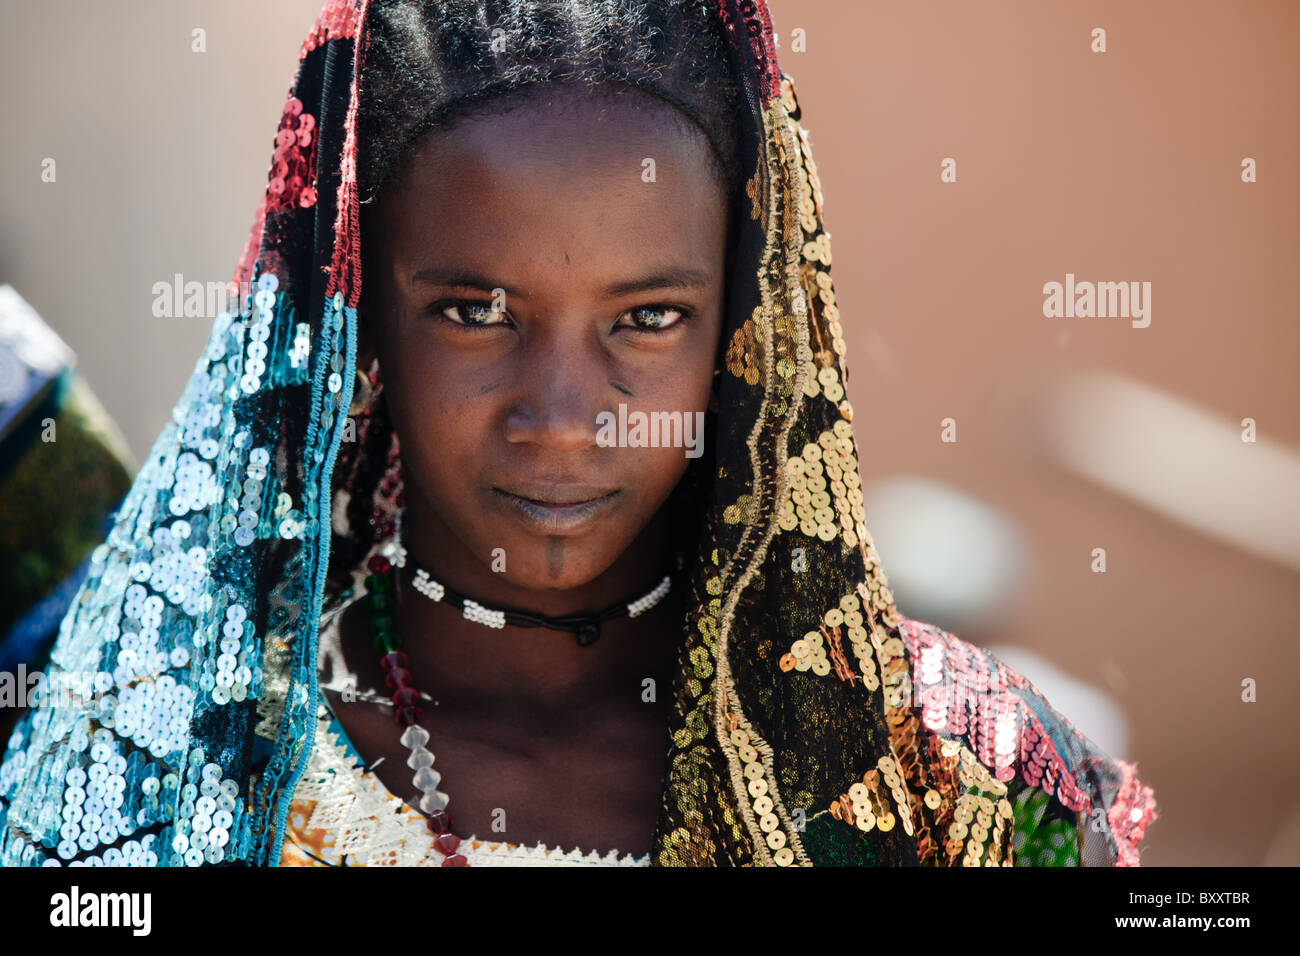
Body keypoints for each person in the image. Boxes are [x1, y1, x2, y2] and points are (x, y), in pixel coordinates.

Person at [0, 0, 1156, 867]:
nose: (563, 417)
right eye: (473, 312)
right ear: (357, 315)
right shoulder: (167, 768)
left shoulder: (955, 786)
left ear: (745, 327)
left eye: (648, 318)